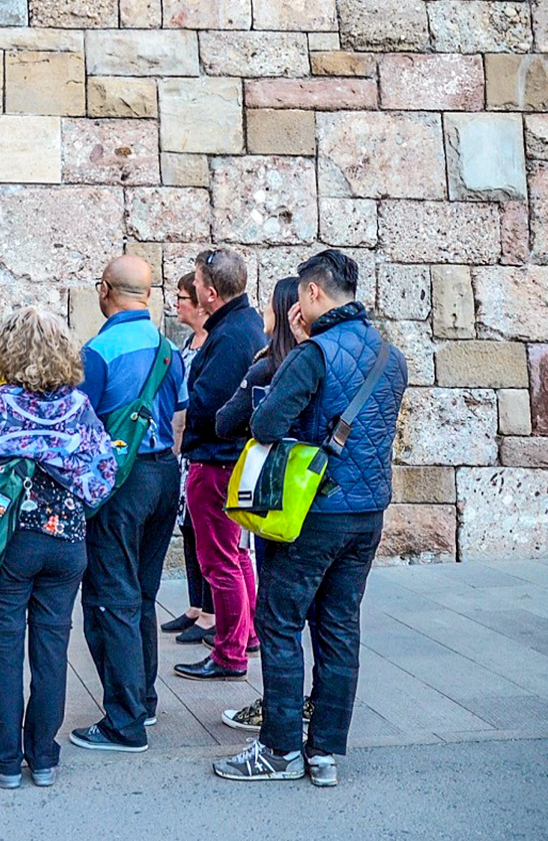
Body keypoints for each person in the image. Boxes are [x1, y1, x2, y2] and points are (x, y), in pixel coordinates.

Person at [214, 250, 407, 788]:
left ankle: (279, 749)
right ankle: (324, 751)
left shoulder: (312, 354)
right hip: (367, 512)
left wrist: (300, 354)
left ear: (314, 293)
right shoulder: (391, 356)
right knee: (340, 624)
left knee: (280, 622)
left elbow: (265, 423)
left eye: (301, 294)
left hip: (313, 511)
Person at [0, 306, 118, 789]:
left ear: (8, 352)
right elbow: (104, 477)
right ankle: (43, 758)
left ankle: (2, 760)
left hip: (11, 544)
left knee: (3, 646)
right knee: (52, 647)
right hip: (67, 543)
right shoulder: (78, 407)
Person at [69, 256, 186, 753]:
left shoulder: (98, 351)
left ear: (104, 290)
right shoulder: (168, 348)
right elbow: (180, 419)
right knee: (142, 594)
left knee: (111, 596)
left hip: (120, 483)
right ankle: (143, 698)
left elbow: (80, 425)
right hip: (164, 476)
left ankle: (124, 722)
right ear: (148, 295)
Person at [214, 276, 316, 734]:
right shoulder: (330, 362)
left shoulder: (271, 367)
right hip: (323, 497)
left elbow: (228, 421)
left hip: (278, 496)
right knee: (325, 620)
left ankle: (279, 717)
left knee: (278, 619)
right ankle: (311, 710)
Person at [173, 249, 266, 682]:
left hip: (216, 461)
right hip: (227, 458)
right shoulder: (241, 324)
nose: (192, 288)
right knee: (235, 554)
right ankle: (247, 634)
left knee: (219, 562)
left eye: (195, 282)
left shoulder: (230, 336)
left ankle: (230, 653)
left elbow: (211, 405)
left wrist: (185, 418)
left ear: (211, 293)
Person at [162, 272, 215, 645]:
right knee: (188, 528)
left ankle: (211, 612)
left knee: (203, 530)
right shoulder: (187, 342)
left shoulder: (211, 343)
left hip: (197, 445)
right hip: (182, 448)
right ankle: (196, 605)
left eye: (181, 297)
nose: (176, 304)